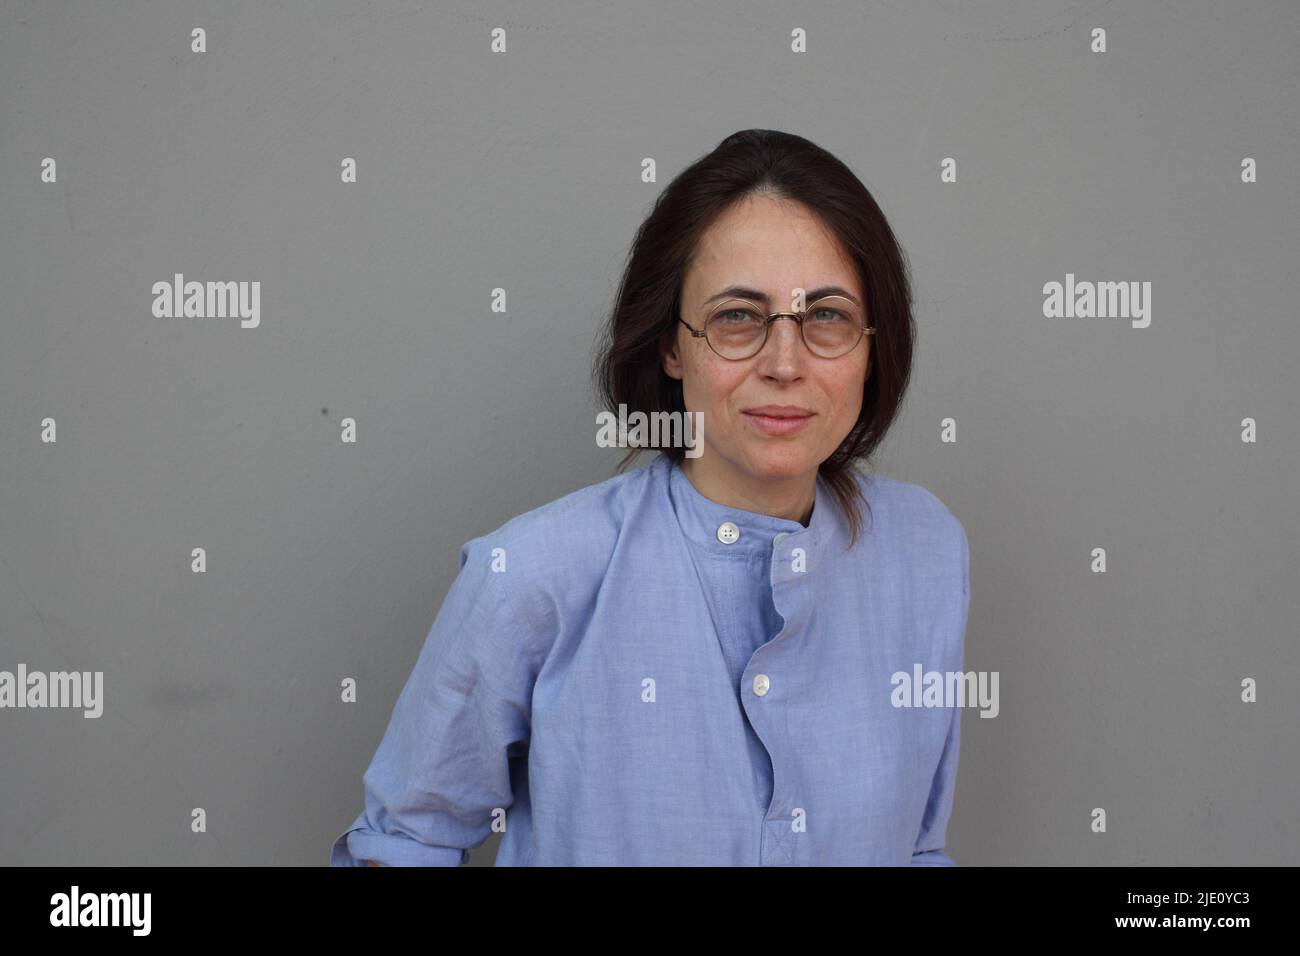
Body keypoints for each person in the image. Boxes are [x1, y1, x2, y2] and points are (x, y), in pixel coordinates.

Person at [331, 129, 970, 866]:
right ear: (671, 346)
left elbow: (918, 848)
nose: (786, 364)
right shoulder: (532, 574)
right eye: (738, 317)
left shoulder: (926, 549)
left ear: (871, 343)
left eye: (826, 315)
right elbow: (406, 843)